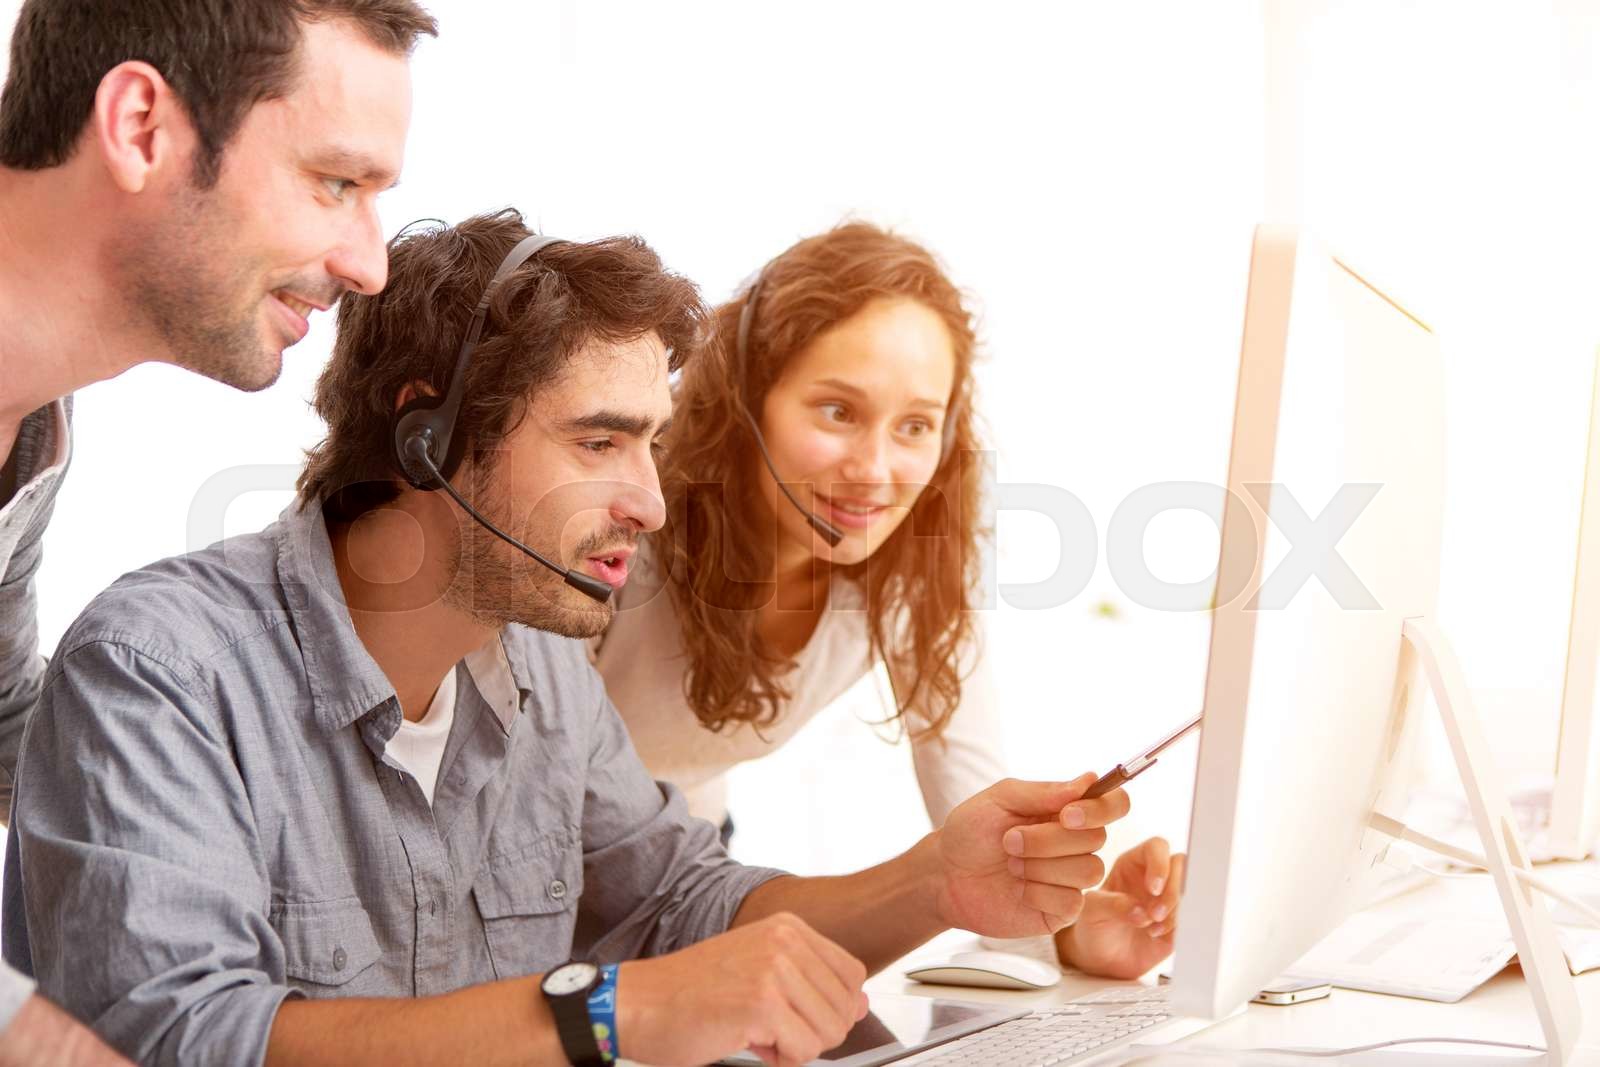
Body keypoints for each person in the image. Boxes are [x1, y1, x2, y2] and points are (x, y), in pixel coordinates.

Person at [12, 211, 1149, 1067]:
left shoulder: (542, 668)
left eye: (651, 443)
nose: (650, 503)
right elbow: (180, 1037)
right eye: (600, 443)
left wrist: (938, 882)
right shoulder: (162, 670)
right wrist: (608, 1010)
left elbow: (683, 903)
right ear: (426, 435)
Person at [0, 0, 435, 1061]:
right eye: (335, 183)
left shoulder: (34, 423)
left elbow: (12, 734)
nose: (369, 264)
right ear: (141, 126)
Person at [592, 224, 1185, 974]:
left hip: (682, 883)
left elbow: (973, 806)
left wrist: (1067, 924)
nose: (875, 471)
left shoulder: (909, 565)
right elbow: (531, 790)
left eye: (914, 426)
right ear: (746, 400)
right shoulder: (627, 526)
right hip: (539, 876)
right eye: (838, 411)